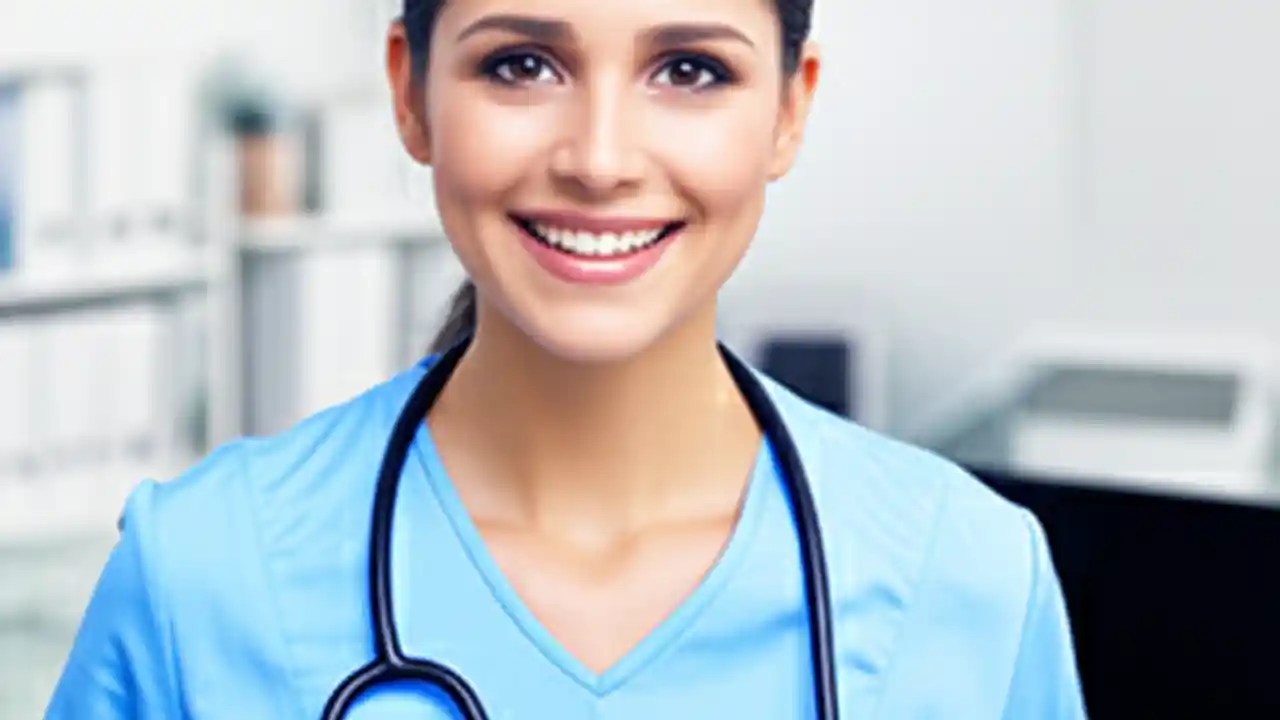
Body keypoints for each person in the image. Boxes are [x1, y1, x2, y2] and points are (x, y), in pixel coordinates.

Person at [46, 0, 1087, 717]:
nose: (597, 159)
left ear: (787, 107)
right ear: (409, 95)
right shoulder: (198, 578)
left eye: (688, 70)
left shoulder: (971, 579)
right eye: (520, 65)